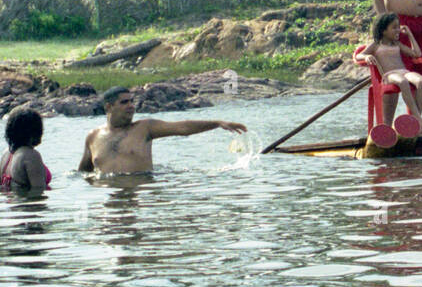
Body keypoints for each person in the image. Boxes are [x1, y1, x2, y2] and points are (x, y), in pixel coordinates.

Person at [78, 87, 247, 174]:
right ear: (109, 107)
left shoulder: (145, 128)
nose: (131, 106)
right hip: (109, 197)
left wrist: (216, 123)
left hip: (141, 192)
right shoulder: (92, 137)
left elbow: (182, 127)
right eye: (124, 102)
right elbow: (83, 174)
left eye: (132, 101)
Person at [356, 12, 422, 133]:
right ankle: (421, 122)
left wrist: (410, 34)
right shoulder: (376, 45)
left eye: (398, 27)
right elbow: (359, 55)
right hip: (389, 75)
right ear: (383, 30)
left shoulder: (397, 44)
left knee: (421, 81)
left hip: (403, 72)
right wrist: (366, 57)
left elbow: (417, 54)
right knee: (402, 82)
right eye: (394, 27)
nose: (398, 30)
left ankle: (415, 121)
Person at [1, 106, 52, 192]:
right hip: (27, 205)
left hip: (11, 204)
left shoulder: (6, 154)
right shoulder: (31, 156)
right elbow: (39, 191)